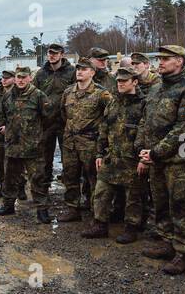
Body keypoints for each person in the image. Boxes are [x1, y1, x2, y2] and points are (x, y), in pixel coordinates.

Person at [137, 45, 185, 275]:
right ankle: (167, 242)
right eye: (159, 58)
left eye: (166, 59)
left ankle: (183, 253)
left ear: (179, 61)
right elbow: (146, 119)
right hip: (157, 159)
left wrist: (156, 152)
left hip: (180, 159)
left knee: (181, 205)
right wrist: (144, 149)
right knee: (161, 203)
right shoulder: (157, 87)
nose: (161, 62)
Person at [85, 66, 146, 242]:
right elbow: (104, 128)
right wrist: (99, 153)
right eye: (118, 81)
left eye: (124, 81)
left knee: (133, 197)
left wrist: (143, 159)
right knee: (101, 192)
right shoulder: (113, 101)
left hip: (131, 159)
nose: (120, 84)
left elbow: (146, 132)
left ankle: (131, 228)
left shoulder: (143, 104)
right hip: (111, 158)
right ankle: (100, 224)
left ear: (134, 82)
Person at [0, 66, 51, 220]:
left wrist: (35, 135)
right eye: (18, 77)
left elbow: (48, 118)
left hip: (33, 147)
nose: (20, 80)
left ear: (30, 78)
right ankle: (8, 205)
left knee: (38, 178)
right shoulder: (8, 96)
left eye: (24, 77)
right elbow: (3, 116)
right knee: (10, 178)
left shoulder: (38, 96)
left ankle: (42, 210)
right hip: (13, 145)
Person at [59, 60, 111, 224]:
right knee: (70, 176)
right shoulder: (68, 92)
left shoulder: (101, 94)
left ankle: (97, 214)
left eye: (84, 69)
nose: (80, 72)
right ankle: (72, 208)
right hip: (70, 143)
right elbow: (63, 114)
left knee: (94, 179)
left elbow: (109, 117)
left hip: (90, 143)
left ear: (93, 73)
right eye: (78, 69)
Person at [33, 44, 77, 211]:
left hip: (65, 123)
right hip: (46, 123)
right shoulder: (41, 73)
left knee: (69, 161)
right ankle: (43, 192)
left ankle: (71, 199)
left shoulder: (71, 72)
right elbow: (34, 95)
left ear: (62, 55)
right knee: (44, 160)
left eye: (55, 53)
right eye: (50, 53)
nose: (51, 56)